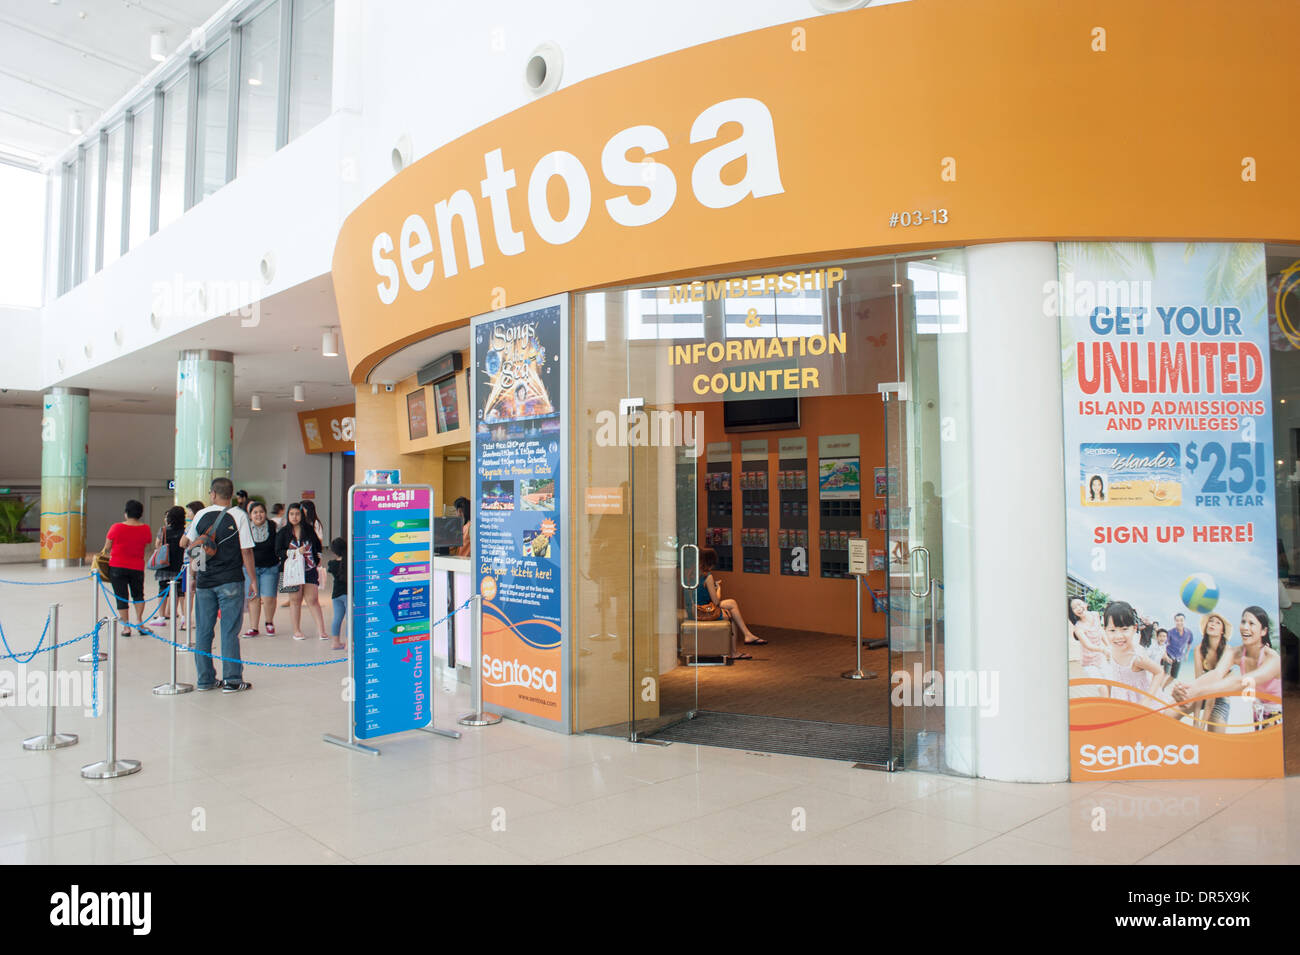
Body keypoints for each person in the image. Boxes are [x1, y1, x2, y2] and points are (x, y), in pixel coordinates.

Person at [180, 477, 256, 693]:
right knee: (229, 631)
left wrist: (194, 576)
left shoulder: (201, 515)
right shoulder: (239, 515)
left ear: (212, 493)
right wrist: (253, 581)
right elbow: (247, 551)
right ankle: (232, 680)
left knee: (204, 631)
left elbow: (192, 545)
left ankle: (205, 680)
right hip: (231, 580)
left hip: (205, 581)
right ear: (231, 495)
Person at [1174, 606, 1282, 732]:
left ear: (1263, 631)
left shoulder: (1272, 659)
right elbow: (1216, 673)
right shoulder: (1235, 652)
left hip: (1277, 713)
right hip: (1258, 710)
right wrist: (1186, 688)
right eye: (1243, 622)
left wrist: (1197, 691)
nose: (1245, 627)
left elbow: (1241, 682)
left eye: (1251, 623)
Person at [697, 547, 765, 660]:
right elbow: (716, 602)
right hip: (705, 611)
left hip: (698, 609)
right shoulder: (707, 577)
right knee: (731, 613)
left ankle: (747, 635)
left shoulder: (691, 574)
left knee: (731, 605)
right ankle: (737, 648)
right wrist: (718, 588)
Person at [276, 502, 327, 640]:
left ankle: (322, 631)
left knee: (313, 599)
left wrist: (318, 559)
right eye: (291, 514)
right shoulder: (283, 532)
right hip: (290, 570)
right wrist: (293, 552)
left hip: (309, 569)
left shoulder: (309, 530)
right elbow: (278, 551)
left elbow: (317, 546)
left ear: (302, 515)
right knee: (295, 600)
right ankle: (296, 630)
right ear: (288, 515)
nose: (294, 517)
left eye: (297, 514)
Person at [103, 499, 153, 636]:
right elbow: (147, 543)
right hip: (136, 567)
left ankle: (126, 627)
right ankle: (139, 622)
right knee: (138, 595)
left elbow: (107, 547)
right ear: (140, 514)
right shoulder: (145, 528)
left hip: (117, 566)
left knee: (121, 596)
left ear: (126, 513)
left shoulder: (116, 527)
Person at [1100, 600, 1163, 705]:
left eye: (1124, 629)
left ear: (1134, 629)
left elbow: (1159, 672)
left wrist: (1147, 699)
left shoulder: (1137, 657)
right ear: (1105, 630)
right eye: (1112, 630)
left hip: (1139, 700)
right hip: (1120, 698)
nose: (1118, 636)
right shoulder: (1110, 650)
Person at [1188, 611, 1232, 732]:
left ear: (1222, 631)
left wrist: (1202, 726)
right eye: (1211, 621)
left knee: (1216, 737)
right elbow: (1198, 685)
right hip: (1202, 692)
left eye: (1218, 623)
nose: (1212, 624)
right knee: (1173, 711)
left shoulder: (1227, 650)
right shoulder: (1199, 649)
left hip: (1220, 696)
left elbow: (1213, 691)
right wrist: (1196, 723)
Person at [244, 501, 279, 637]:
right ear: (250, 515)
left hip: (269, 567)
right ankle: (253, 627)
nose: (259, 515)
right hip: (250, 569)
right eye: (255, 512)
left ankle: (269, 622)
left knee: (269, 597)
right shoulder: (246, 528)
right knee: (253, 597)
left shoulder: (272, 526)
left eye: (261, 512)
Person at [150, 505, 187, 629]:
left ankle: (161, 617)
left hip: (165, 563)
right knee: (181, 591)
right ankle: (183, 616)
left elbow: (157, 545)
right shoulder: (185, 531)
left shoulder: (164, 530)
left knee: (163, 589)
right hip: (180, 564)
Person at [1068, 596, 1109, 697]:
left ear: (1085, 604)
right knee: (1102, 687)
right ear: (1073, 612)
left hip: (1101, 657)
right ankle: (1108, 710)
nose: (1078, 607)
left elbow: (1100, 631)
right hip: (1089, 662)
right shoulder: (1078, 627)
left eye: (1079, 604)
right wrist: (1103, 649)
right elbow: (1088, 645)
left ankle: (1112, 705)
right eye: (1074, 607)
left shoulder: (1095, 615)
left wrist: (1109, 645)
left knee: (1110, 682)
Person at [326, 537, 347, 651]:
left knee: (337, 618)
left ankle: (335, 642)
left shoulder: (332, 563)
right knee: (350, 619)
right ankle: (349, 643)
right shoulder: (350, 562)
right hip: (349, 594)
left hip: (336, 594)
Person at [1165, 612, 1195, 679]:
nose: (1179, 622)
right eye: (1177, 620)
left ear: (1184, 621)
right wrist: (1165, 656)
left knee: (1173, 677)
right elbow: (1164, 645)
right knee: (1165, 674)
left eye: (1181, 620)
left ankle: (1163, 688)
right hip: (1169, 654)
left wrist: (1187, 654)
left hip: (1179, 657)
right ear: (1175, 621)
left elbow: (1189, 643)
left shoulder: (1189, 632)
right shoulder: (1170, 632)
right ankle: (1160, 688)